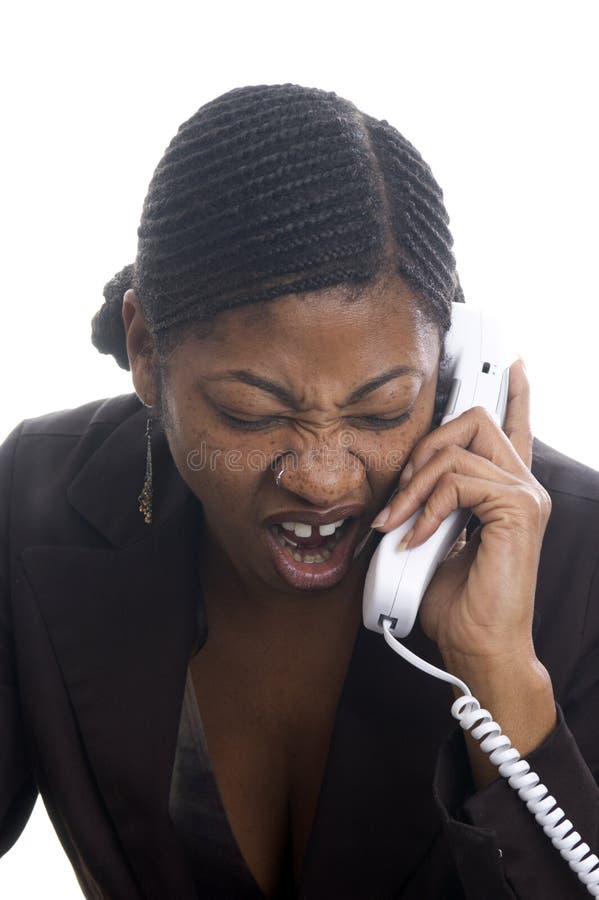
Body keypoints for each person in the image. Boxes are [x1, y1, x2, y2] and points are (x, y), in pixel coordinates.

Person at [1, 83, 598, 900]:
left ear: (457, 373)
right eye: (250, 412)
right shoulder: (38, 497)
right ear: (145, 351)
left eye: (383, 407)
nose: (322, 475)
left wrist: (500, 678)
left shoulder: (580, 556)